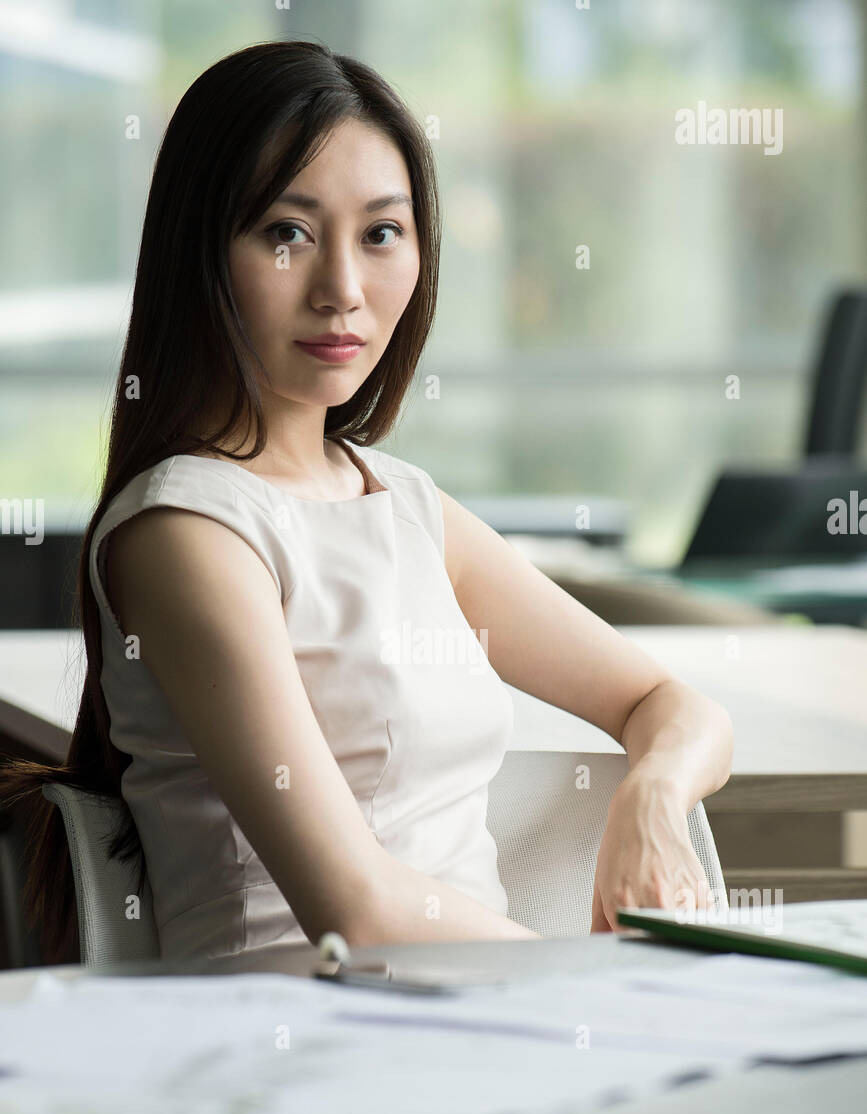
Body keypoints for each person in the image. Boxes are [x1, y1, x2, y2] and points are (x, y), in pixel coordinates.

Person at [0, 40, 732, 964]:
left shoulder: (402, 504)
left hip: (486, 1013)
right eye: (286, 233)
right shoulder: (186, 532)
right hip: (303, 1042)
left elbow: (668, 702)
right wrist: (592, 985)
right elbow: (358, 908)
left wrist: (653, 798)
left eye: (381, 233)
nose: (342, 291)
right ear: (201, 254)